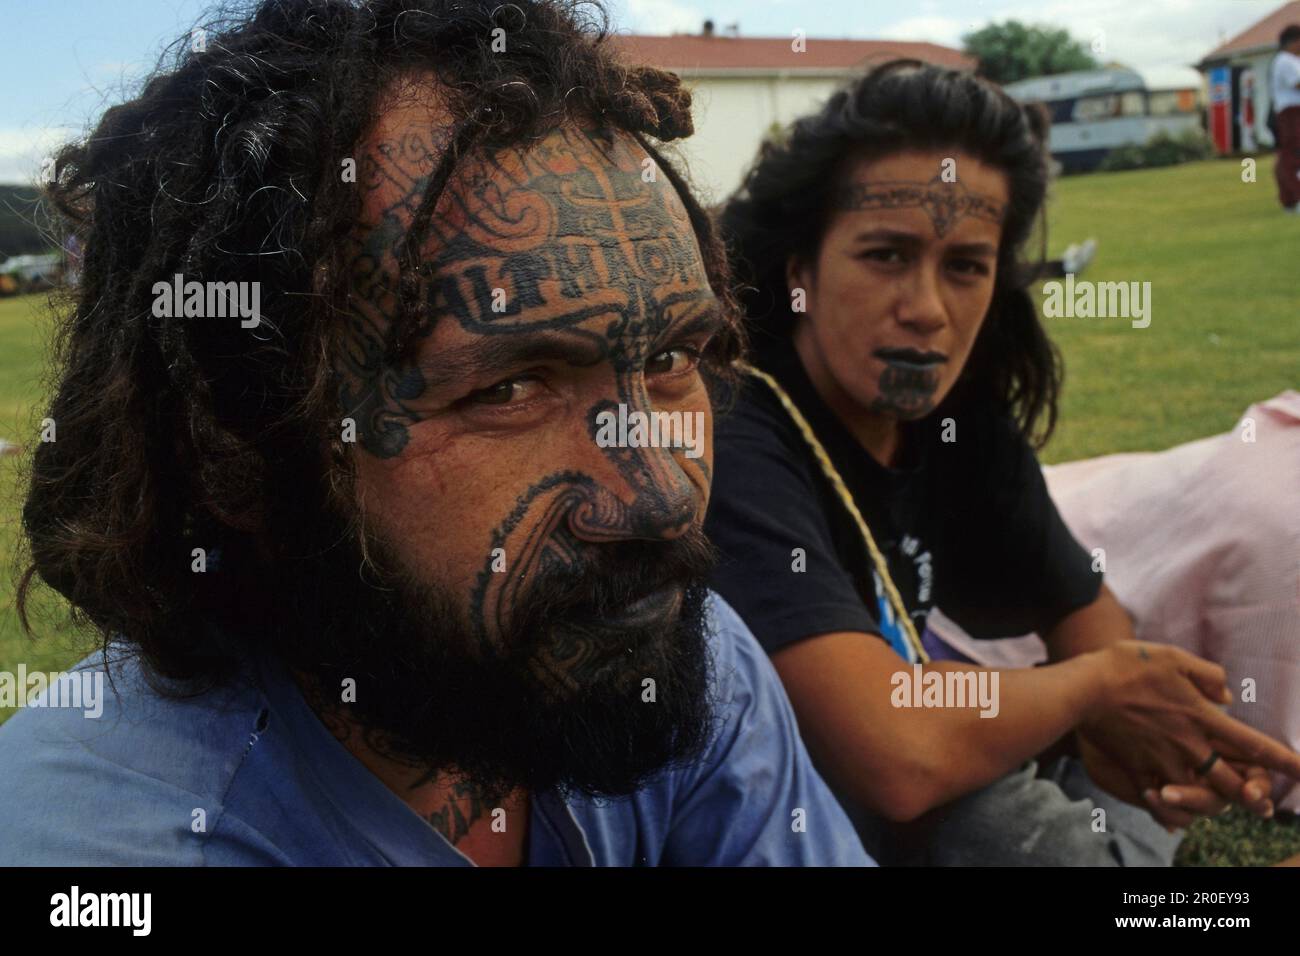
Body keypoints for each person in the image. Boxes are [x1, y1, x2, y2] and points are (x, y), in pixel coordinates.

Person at [0, 0, 870, 867]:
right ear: (235, 454)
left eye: (676, 355)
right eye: (512, 387)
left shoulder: (677, 656)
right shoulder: (116, 847)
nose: (664, 496)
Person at [704, 60, 1300, 866]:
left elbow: (1091, 618)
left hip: (914, 752)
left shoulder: (957, 423)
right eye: (886, 255)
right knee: (977, 815)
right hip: (789, 804)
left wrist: (1127, 727)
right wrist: (1094, 692)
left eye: (965, 266)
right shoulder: (735, 426)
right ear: (800, 269)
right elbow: (897, 754)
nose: (927, 308)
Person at [928, 390, 1300, 815]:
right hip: (979, 658)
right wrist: (1094, 693)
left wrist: (1096, 703)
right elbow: (898, 758)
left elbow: (1082, 600)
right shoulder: (1282, 527)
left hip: (1081, 664)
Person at [1271, 24, 1300, 213]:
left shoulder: (1291, 60)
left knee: (1288, 156)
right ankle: (1295, 197)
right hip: (1291, 112)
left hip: (1292, 112)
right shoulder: (1285, 60)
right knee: (1292, 156)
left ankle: (1288, 199)